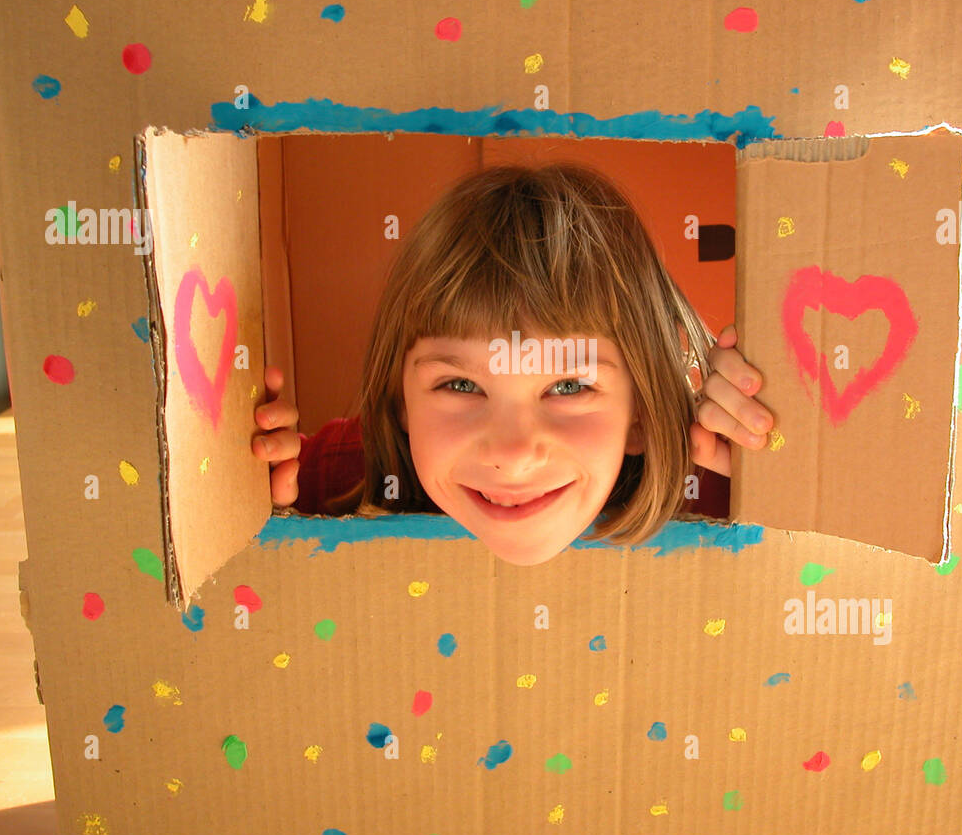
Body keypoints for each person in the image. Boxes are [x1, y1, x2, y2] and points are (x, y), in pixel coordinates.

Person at [251, 162, 771, 566]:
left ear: (640, 411)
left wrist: (760, 462)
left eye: (568, 386)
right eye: (459, 384)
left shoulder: (714, 491)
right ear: (400, 400)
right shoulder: (336, 475)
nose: (513, 454)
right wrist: (261, 489)